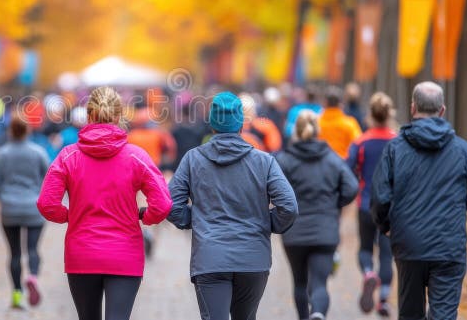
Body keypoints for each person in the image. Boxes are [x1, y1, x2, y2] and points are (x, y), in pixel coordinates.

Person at [37, 86, 172, 320]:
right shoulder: (136, 157)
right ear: (119, 116)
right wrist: (143, 215)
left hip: (82, 252)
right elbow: (162, 205)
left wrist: (70, 215)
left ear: (89, 116)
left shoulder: (68, 156)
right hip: (125, 253)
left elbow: (47, 204)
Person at [168, 91, 298, 320]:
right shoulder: (264, 161)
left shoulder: (192, 159)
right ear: (240, 123)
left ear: (212, 123)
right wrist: (266, 223)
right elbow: (289, 206)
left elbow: (171, 205)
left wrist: (195, 219)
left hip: (210, 258)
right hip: (253, 258)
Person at [371, 82, 467, 320]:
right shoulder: (464, 151)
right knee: (444, 314)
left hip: (409, 244)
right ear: (442, 109)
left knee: (410, 313)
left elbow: (379, 196)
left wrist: (385, 226)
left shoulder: (394, 149)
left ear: (412, 107)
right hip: (449, 245)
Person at [275, 110, 357, 320]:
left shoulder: (284, 160)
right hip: (325, 230)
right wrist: (334, 205)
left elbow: (273, 189)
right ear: (317, 130)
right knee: (320, 283)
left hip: (294, 231)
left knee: (300, 282)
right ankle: (318, 313)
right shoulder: (332, 159)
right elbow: (351, 187)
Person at [0, 116, 49, 308]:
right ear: (28, 130)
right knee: (32, 249)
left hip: (10, 208)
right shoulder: (38, 152)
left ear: (10, 131)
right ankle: (32, 277)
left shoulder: (2, 153)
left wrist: (3, 197)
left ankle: (16, 295)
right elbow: (49, 177)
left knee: (14, 254)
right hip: (33, 207)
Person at [346, 92, 397, 316]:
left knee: (365, 248)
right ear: (389, 114)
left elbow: (348, 170)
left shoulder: (361, 142)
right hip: (391, 207)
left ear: (370, 115)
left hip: (366, 204)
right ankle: (384, 299)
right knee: (386, 253)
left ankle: (368, 274)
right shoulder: (397, 141)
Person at [318, 86, 362, 159]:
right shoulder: (350, 124)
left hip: (320, 165)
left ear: (324, 103)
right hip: (343, 165)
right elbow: (359, 145)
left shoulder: (316, 123)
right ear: (341, 104)